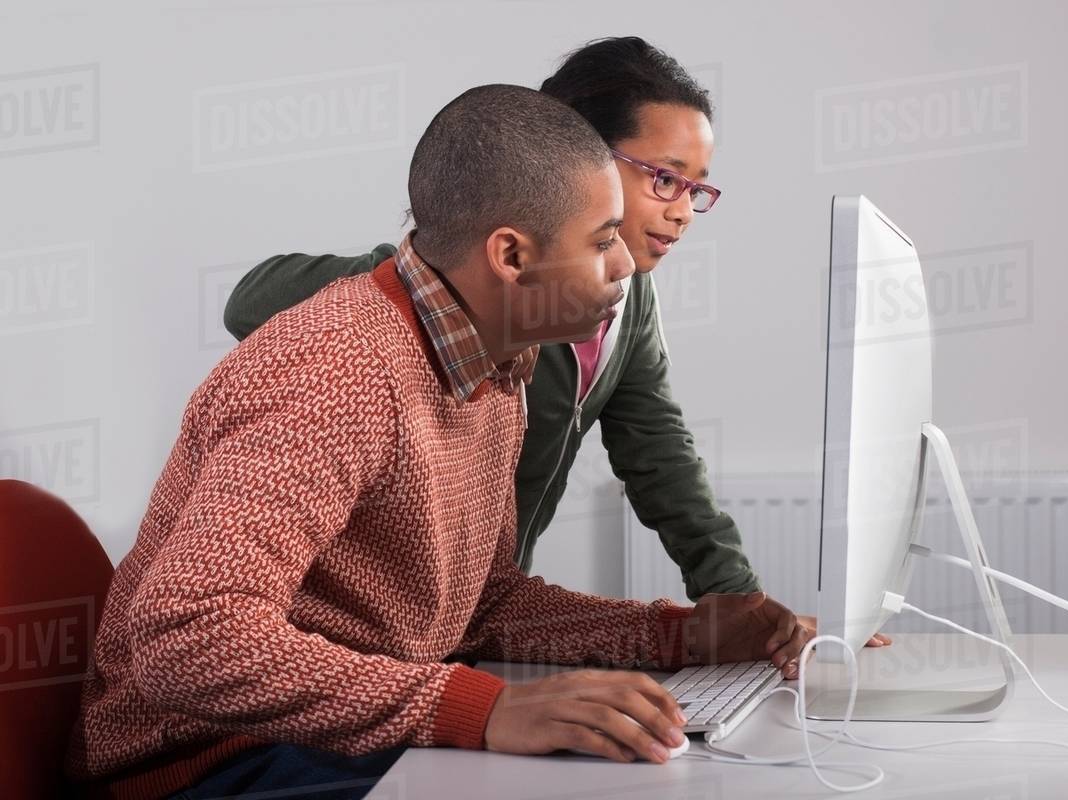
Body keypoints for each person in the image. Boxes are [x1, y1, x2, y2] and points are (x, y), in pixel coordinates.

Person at [66, 85, 812, 800]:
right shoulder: (339, 368)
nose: (625, 268)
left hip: (331, 735)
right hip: (212, 765)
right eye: (601, 241)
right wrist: (481, 708)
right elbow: (187, 635)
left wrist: (681, 638)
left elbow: (481, 606)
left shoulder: (495, 368)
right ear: (512, 256)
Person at [222, 37, 892, 649]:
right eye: (665, 178)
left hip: (480, 607)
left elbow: (657, 449)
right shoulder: (458, 308)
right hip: (354, 640)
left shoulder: (626, 302)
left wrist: (732, 604)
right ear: (578, 158)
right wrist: (413, 286)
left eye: (697, 188)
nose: (684, 209)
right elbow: (249, 300)